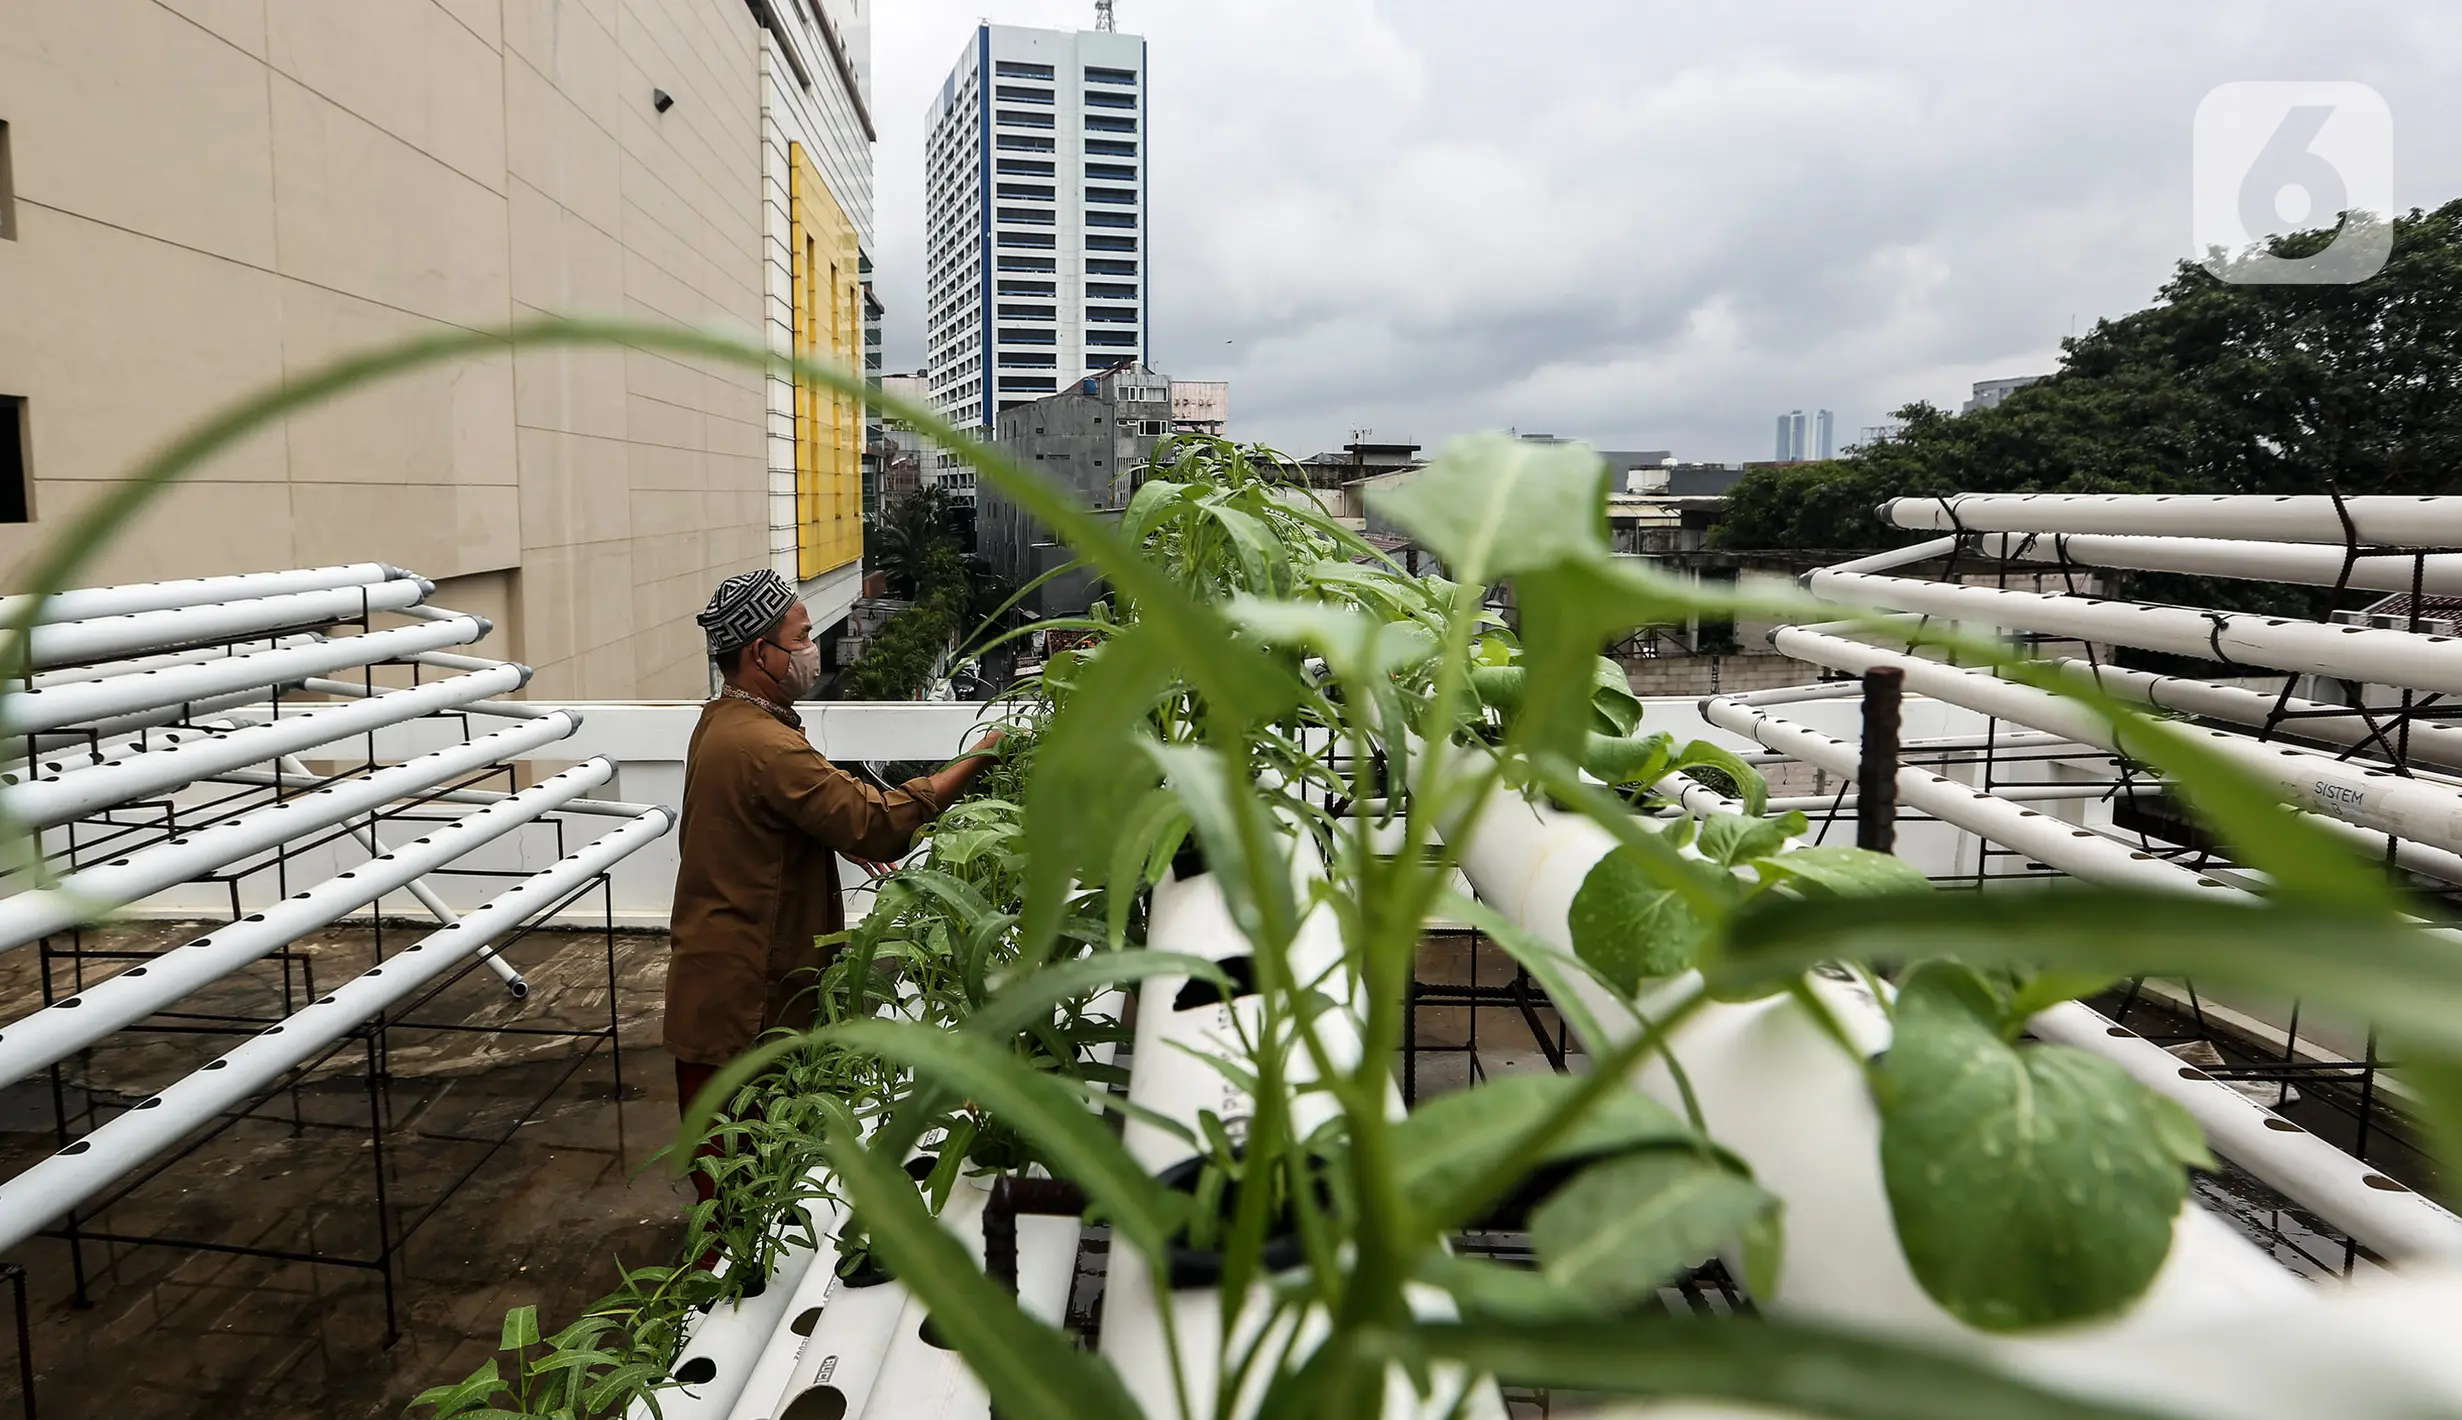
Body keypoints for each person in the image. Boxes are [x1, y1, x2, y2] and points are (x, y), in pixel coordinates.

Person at [666, 569, 1000, 1200]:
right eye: (801, 635)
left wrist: (829, 831)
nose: (811, 648)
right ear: (758, 652)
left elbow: (776, 816)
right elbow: (876, 825)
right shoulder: (764, 744)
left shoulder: (726, 723)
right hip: (743, 1004)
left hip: (722, 985)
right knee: (742, 1188)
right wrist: (984, 753)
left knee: (752, 1171)